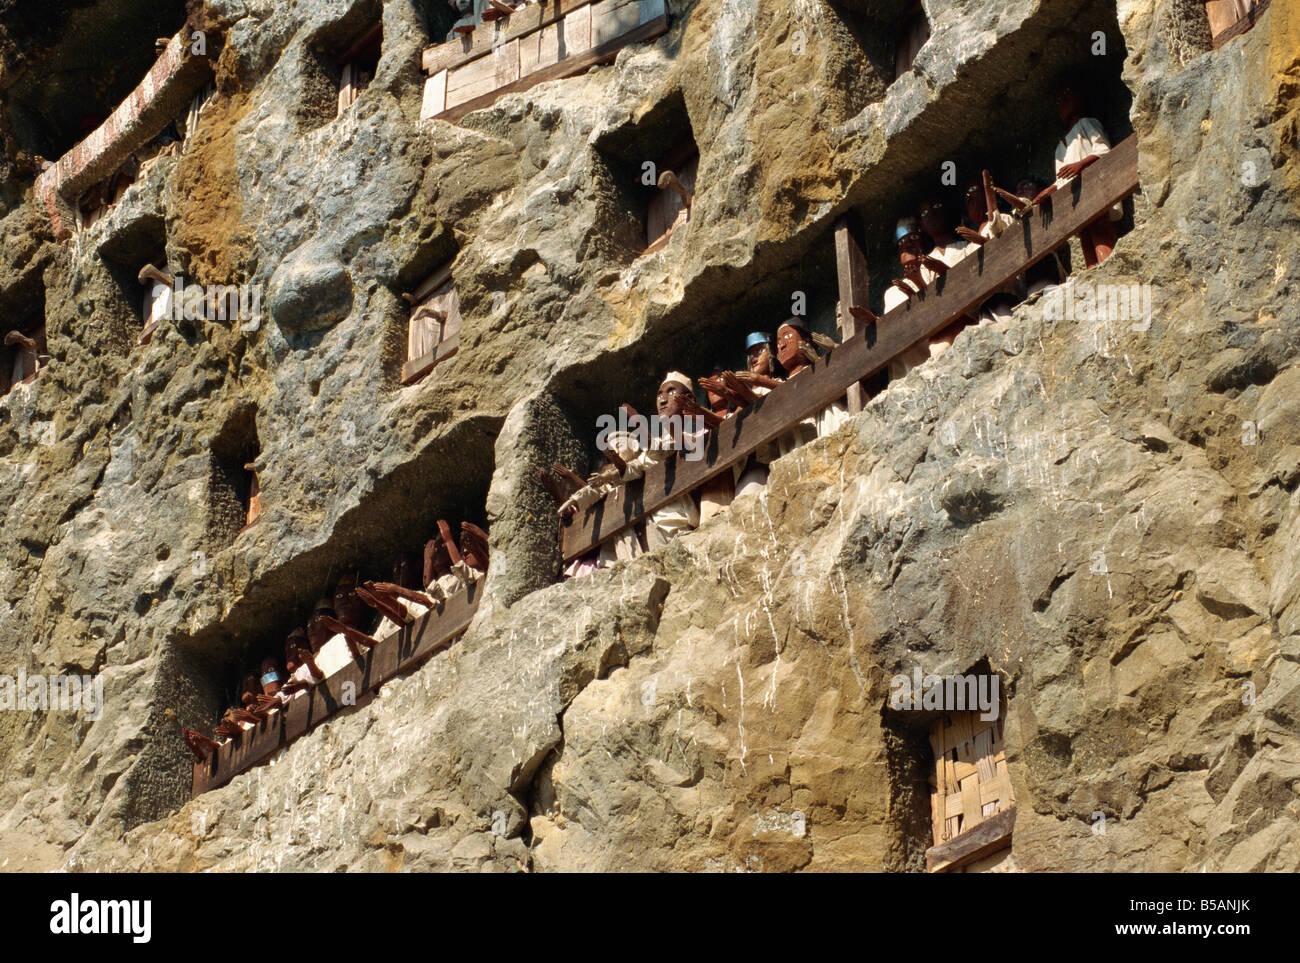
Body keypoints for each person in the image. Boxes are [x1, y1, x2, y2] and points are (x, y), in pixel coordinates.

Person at [1032, 78, 1118, 267]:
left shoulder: (1087, 123)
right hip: (1075, 197)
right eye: (1058, 100)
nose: (1062, 101)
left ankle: (1108, 264)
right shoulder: (1059, 147)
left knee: (1099, 228)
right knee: (1084, 234)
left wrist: (1081, 165)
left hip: (1093, 189)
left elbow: (1103, 149)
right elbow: (1061, 178)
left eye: (1067, 95)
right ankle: (1092, 269)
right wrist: (1050, 190)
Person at [773, 320, 850, 455]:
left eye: (787, 336)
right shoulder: (780, 385)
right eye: (778, 342)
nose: (782, 345)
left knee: (829, 409)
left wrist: (817, 362)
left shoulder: (819, 366)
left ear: (806, 341)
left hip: (825, 434)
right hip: (798, 447)